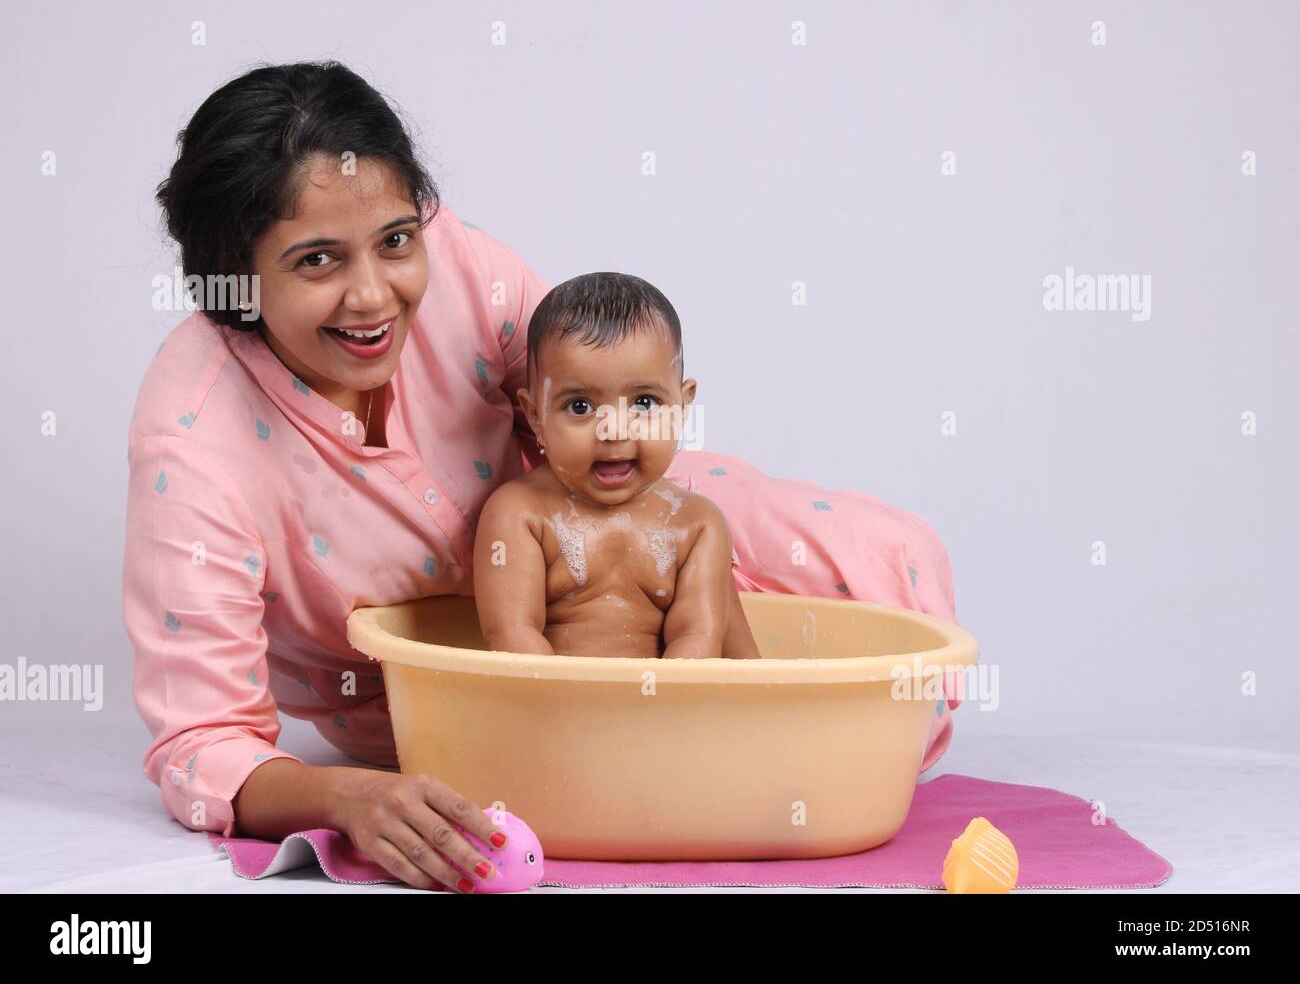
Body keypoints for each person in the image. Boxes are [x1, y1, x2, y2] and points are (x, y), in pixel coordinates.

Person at [124, 60, 961, 893]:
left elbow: (591, 397)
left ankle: (790, 748)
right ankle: (713, 757)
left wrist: (673, 550)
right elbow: (200, 743)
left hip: (604, 526)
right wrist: (348, 798)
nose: (374, 295)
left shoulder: (458, 264)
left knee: (887, 554)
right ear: (233, 275)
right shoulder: (194, 442)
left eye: (395, 241)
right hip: (459, 703)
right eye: (316, 262)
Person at [475, 271, 761, 659]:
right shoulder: (521, 514)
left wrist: (652, 716)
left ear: (682, 405)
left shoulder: (696, 526)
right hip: (551, 710)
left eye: (644, 402)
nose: (614, 430)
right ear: (535, 415)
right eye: (580, 406)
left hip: (668, 710)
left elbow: (698, 642)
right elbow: (514, 637)